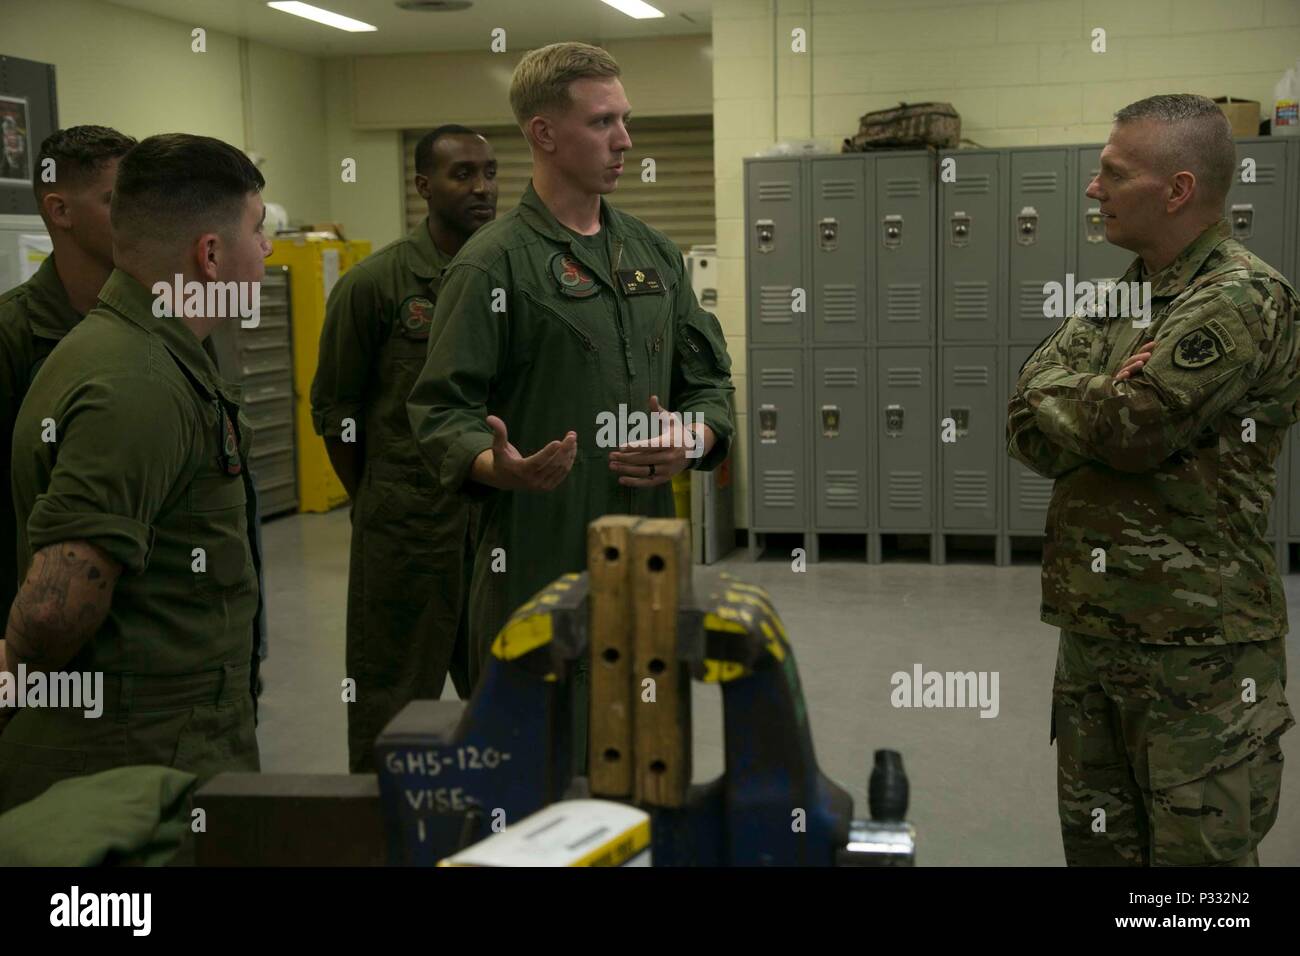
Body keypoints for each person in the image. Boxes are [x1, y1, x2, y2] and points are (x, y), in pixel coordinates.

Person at [407, 42, 735, 770]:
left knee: (649, 757)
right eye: (602, 122)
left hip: (648, 564)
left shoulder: (653, 254)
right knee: (541, 767)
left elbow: (711, 387)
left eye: (625, 120)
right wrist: (501, 464)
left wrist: (694, 437)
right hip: (536, 560)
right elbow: (439, 412)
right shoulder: (493, 264)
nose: (626, 141)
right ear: (543, 134)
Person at [1007, 93, 1299, 866]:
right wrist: (1095, 395)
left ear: (1176, 190)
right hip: (1096, 634)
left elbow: (1130, 432)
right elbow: (1020, 421)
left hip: (1197, 648)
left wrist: (1082, 395)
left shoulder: (1242, 297)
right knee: (1101, 854)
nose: (1093, 190)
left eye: (1112, 174)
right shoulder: (1126, 295)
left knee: (1197, 882)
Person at [0, 133, 270, 813]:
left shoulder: (150, 350)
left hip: (165, 740)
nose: (266, 249)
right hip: (133, 762)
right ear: (209, 255)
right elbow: (55, 607)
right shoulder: (135, 381)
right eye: (258, 230)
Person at [311, 124, 498, 773]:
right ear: (423, 185)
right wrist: (379, 498)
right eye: (462, 173)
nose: (482, 187)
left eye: (490, 172)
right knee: (389, 706)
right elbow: (338, 414)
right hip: (405, 537)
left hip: (498, 526)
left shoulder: (513, 279)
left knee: (513, 703)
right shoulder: (376, 285)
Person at [0, 126, 136, 621]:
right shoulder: (12, 333)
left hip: (142, 619)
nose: (138, 215)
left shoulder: (167, 323)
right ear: (61, 211)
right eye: (116, 200)